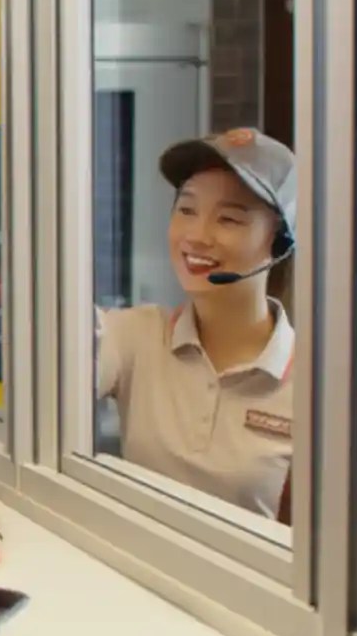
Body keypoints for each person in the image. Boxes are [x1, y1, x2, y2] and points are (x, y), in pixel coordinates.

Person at [96, 128, 296, 520]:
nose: (196, 236)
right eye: (186, 210)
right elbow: (53, 362)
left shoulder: (318, 390)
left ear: (280, 242)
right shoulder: (137, 336)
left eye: (228, 219)